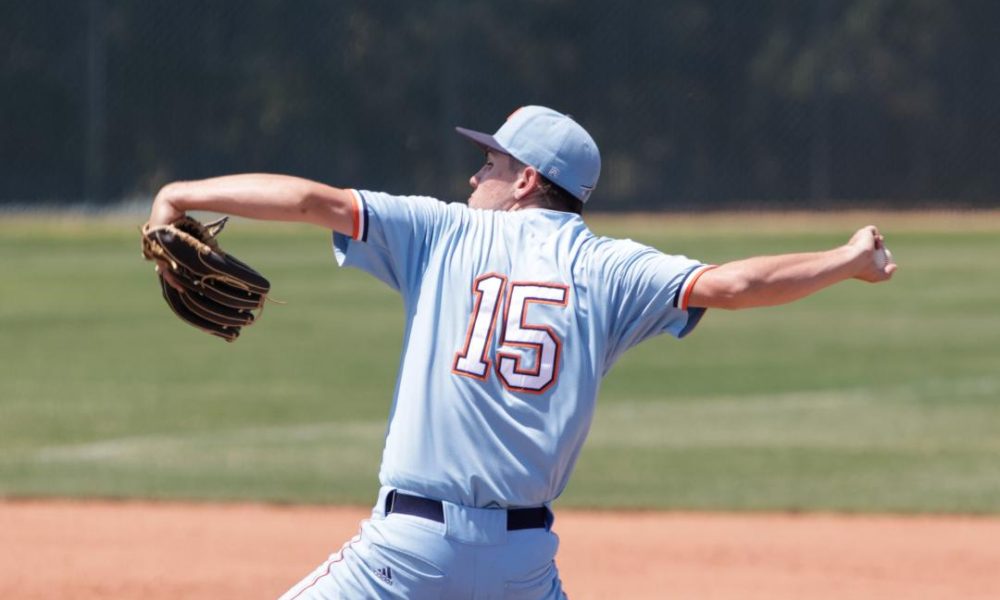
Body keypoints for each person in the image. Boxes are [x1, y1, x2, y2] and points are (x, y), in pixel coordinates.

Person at [146, 105, 896, 599]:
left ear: (528, 181)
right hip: (522, 569)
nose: (476, 174)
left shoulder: (442, 229)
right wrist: (849, 258)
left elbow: (315, 201)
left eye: (493, 163)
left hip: (407, 554)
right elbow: (735, 285)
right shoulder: (612, 267)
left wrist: (181, 193)